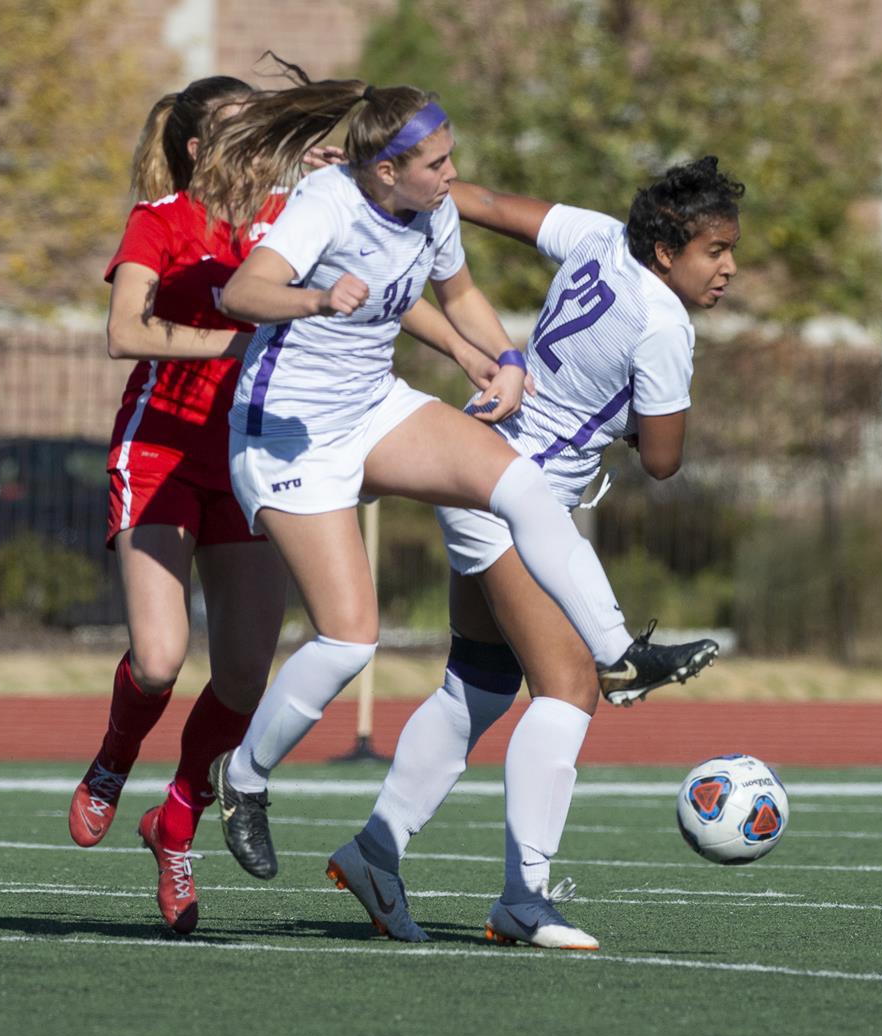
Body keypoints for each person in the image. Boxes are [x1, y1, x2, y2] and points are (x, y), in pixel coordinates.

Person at [195, 76, 713, 884]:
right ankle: (246, 777)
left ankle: (620, 650)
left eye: (451, 160)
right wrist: (317, 296)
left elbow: (460, 292)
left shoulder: (428, 206)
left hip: (373, 407)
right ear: (386, 171)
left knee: (516, 484)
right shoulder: (327, 202)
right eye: (435, 163)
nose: (451, 177)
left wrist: (498, 357)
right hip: (289, 435)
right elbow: (241, 290)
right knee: (349, 641)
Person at [73, 74, 496, 935]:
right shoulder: (161, 220)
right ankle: (115, 759)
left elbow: (384, 283)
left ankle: (179, 819)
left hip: (254, 451)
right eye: (243, 130)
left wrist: (463, 343)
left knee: (240, 676)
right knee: (158, 660)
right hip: (160, 449)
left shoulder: (295, 207)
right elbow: (125, 332)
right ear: (202, 148)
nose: (265, 143)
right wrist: (243, 333)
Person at [326, 157, 742, 950]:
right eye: (713, 250)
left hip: (475, 455)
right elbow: (662, 460)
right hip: (518, 496)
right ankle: (525, 896)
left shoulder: (597, 234)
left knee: (478, 685)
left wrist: (412, 187)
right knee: (572, 686)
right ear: (666, 249)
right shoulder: (666, 325)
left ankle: (376, 850)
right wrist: (626, 408)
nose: (728, 267)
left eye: (730, 249)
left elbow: (482, 201)